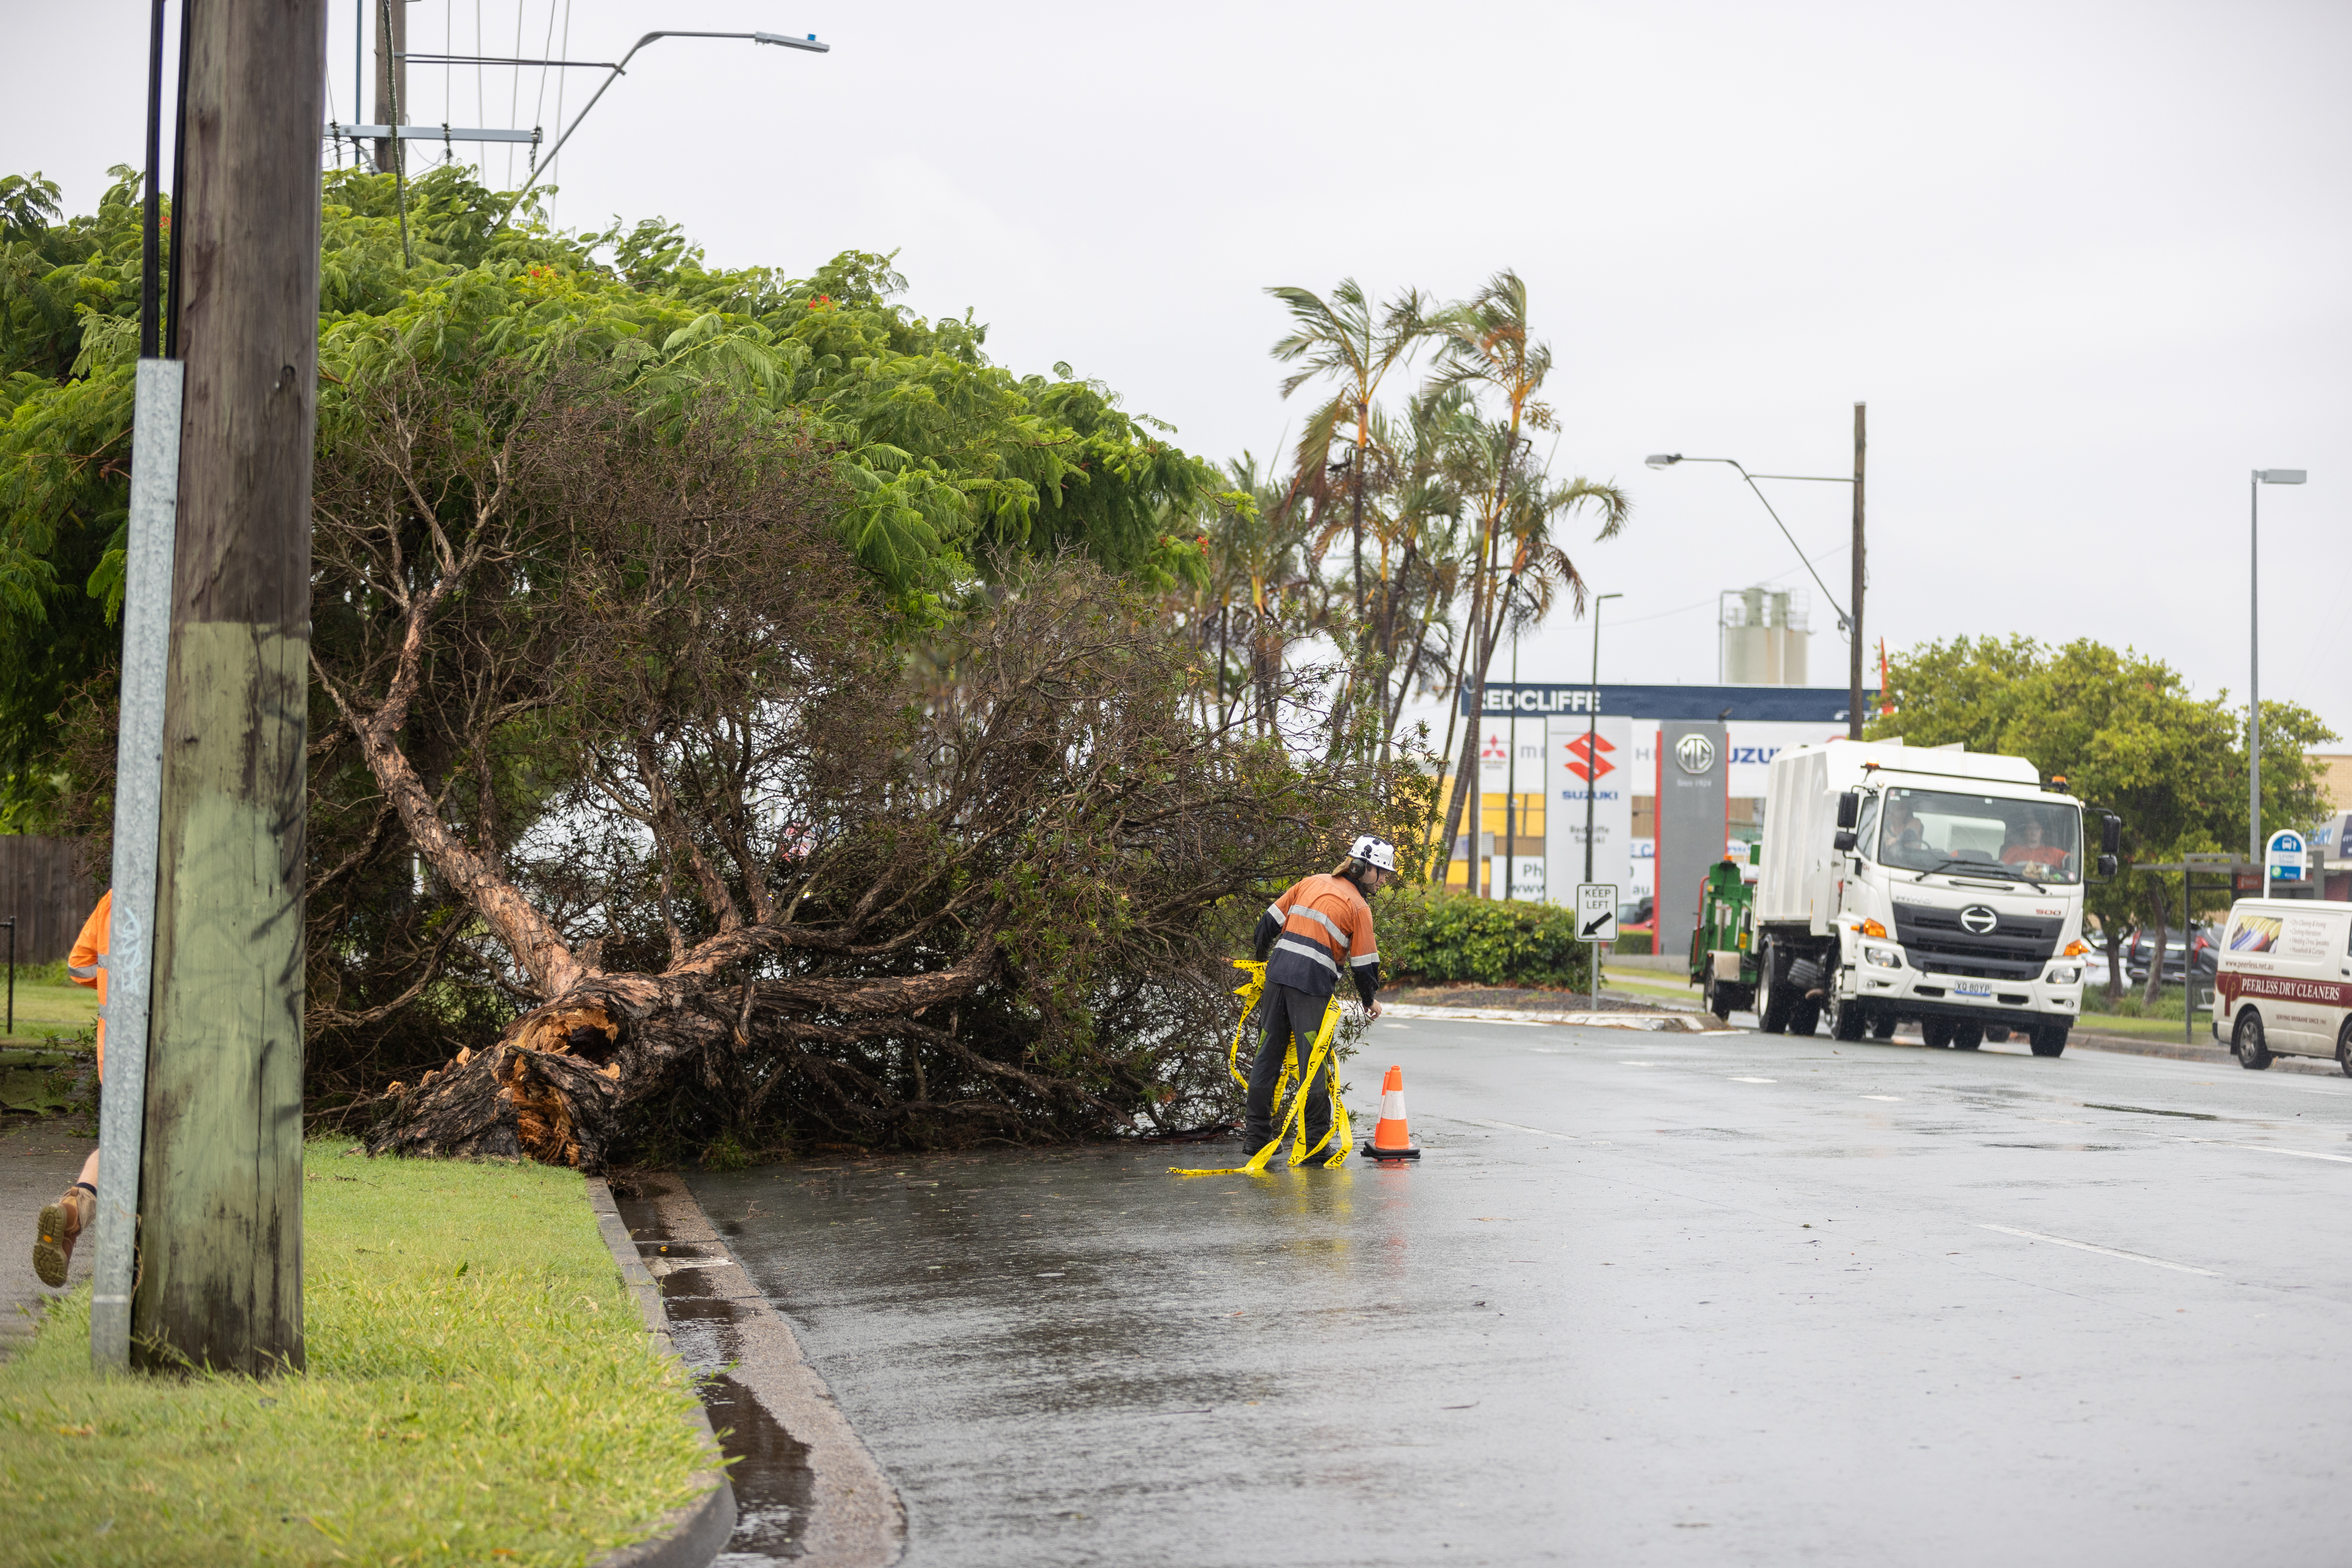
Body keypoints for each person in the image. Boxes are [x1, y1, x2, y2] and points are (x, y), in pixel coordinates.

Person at [1246, 835, 1393, 1160]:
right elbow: (1365, 967)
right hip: (1310, 988)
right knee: (1313, 1066)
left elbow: (1266, 926)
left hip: (1276, 978)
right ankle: (1314, 1146)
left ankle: (1257, 1140)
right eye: (1381, 872)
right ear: (1361, 867)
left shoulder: (1310, 882)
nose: (1383, 880)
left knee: (1266, 1058)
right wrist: (1370, 1002)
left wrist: (1261, 967)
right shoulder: (1359, 907)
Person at [34, 892, 109, 1288]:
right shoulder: (183, 889)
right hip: (164, 1047)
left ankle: (73, 1209)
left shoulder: (114, 899)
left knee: (119, 1141)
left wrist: (113, 980)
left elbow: (78, 967)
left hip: (111, 1048)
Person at [2001, 814, 2067, 869]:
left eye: (2037, 829)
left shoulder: (2053, 853)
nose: (2034, 832)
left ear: (2042, 832)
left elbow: (2074, 859)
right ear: (2026, 832)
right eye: (2030, 828)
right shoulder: (2014, 851)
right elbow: (2001, 868)